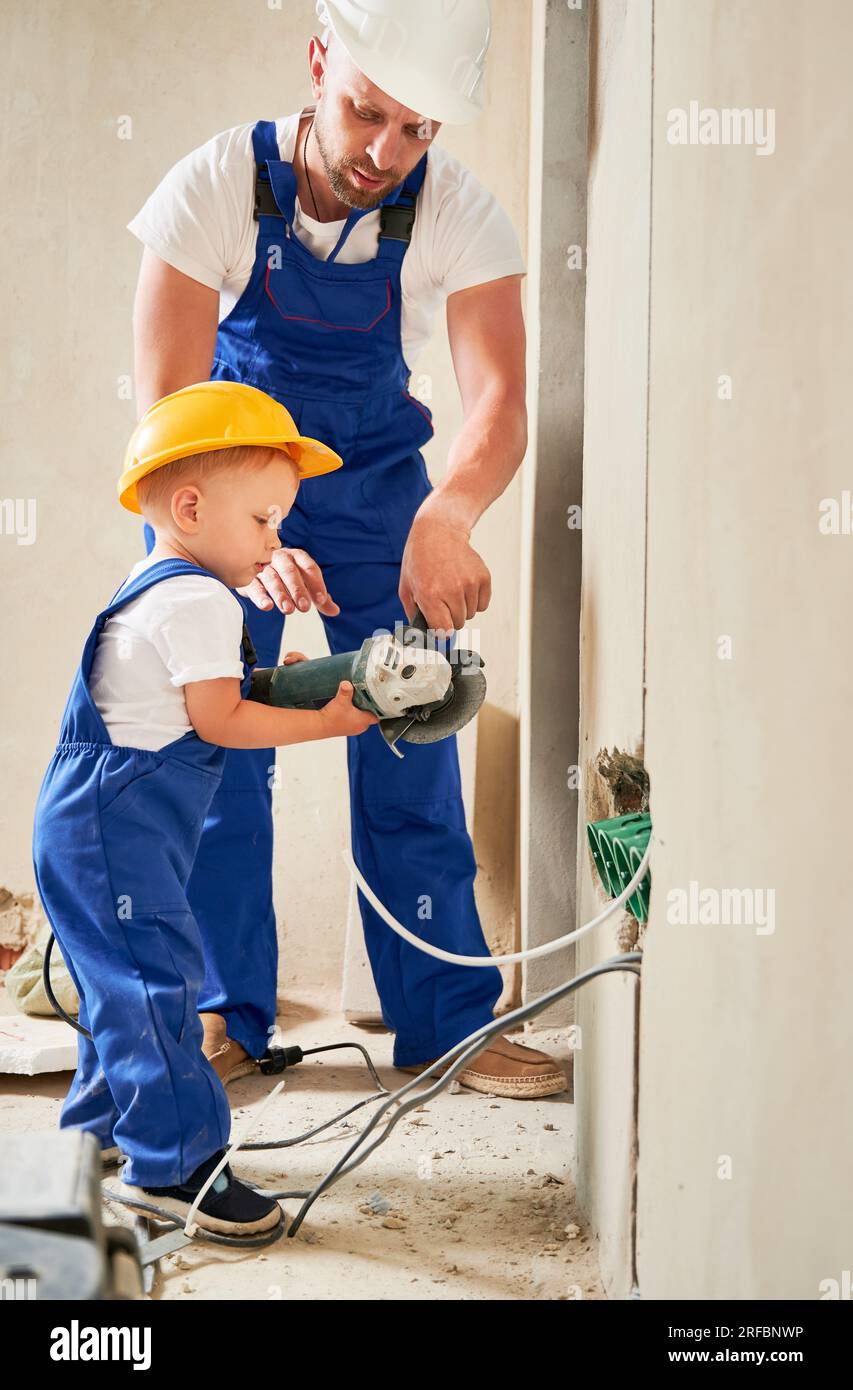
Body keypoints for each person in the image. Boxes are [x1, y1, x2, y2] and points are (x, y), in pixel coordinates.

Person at [127, 0, 566, 1097]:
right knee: (216, 733)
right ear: (319, 63)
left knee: (414, 722)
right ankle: (224, 1012)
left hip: (377, 486)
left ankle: (449, 1025)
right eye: (366, 113)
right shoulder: (211, 188)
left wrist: (446, 514)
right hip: (224, 476)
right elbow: (170, 413)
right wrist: (230, 544)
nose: (385, 153)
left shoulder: (459, 211)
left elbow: (501, 403)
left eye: (416, 131)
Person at [32, 381, 375, 1236]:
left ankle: (100, 1138)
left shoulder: (158, 585)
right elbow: (220, 720)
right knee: (157, 985)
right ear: (189, 506)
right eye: (264, 521)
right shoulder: (196, 597)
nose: (276, 540)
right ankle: (175, 1168)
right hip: (118, 826)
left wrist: (274, 682)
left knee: (123, 987)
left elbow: (197, 698)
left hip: (92, 820)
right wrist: (326, 719)